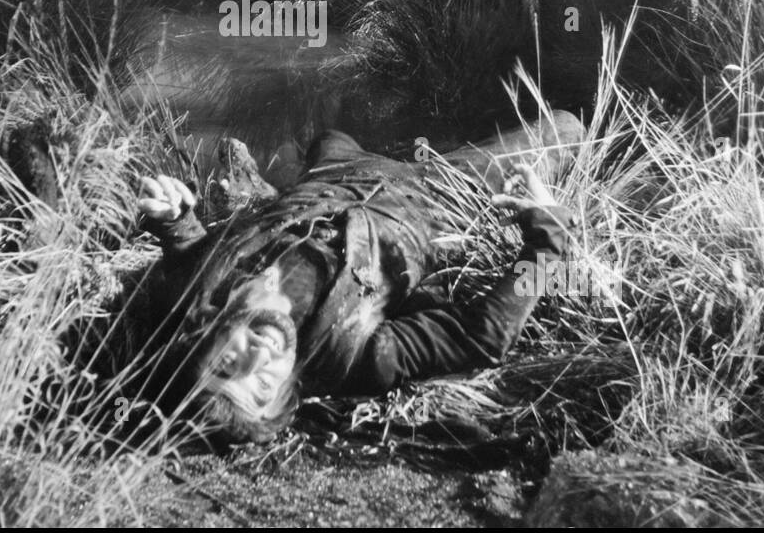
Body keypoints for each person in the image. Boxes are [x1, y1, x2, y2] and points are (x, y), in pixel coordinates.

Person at [124, 115, 583, 445]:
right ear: (286, 395)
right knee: (566, 129)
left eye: (228, 365)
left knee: (326, 130)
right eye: (262, 385)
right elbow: (485, 337)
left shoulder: (201, 296)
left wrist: (174, 219)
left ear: (206, 341)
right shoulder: (357, 355)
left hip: (333, 170)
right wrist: (549, 233)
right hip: (435, 193)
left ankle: (415, 128)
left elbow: (186, 251)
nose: (260, 356)